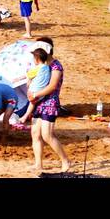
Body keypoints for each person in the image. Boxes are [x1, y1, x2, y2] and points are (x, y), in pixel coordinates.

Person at [28, 39, 70, 174]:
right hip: (39, 101)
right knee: (35, 134)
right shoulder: (40, 66)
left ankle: (65, 160)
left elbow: (52, 86)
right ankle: (38, 164)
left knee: (47, 135)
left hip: (50, 102)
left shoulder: (56, 66)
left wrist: (36, 94)